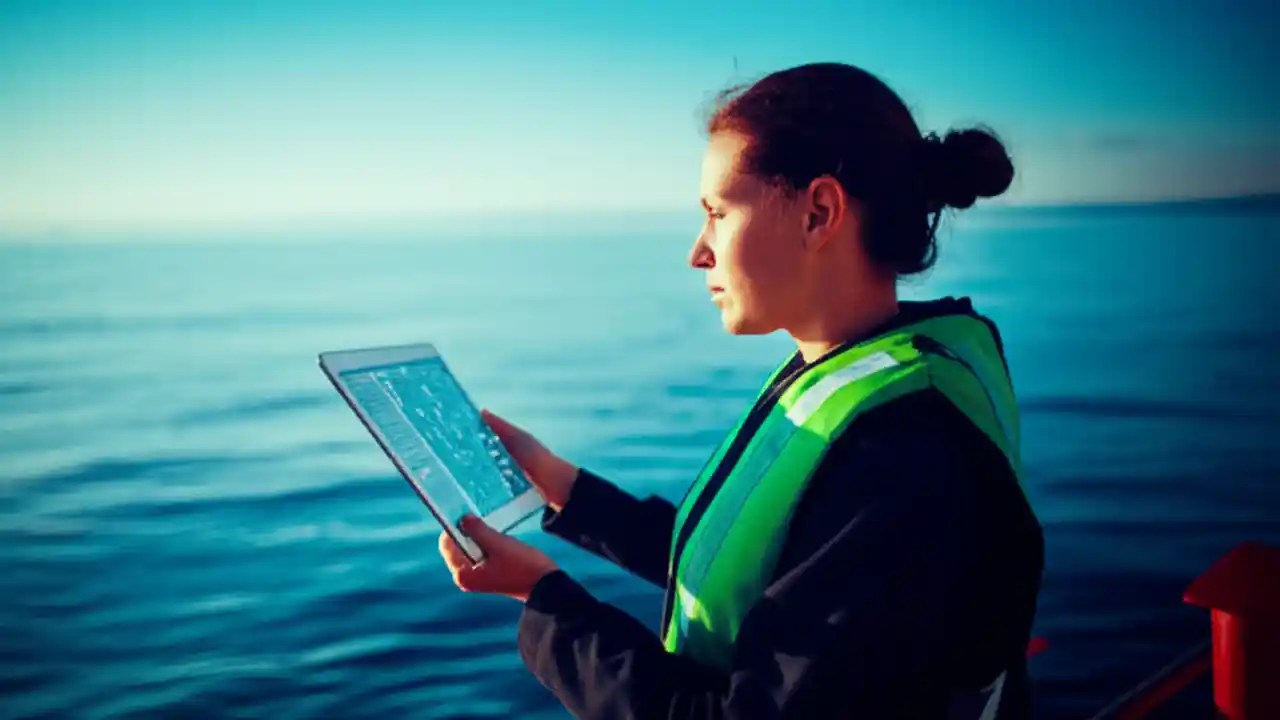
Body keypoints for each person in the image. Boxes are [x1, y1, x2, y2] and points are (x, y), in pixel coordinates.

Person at [437, 62, 1044, 719]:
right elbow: (752, 566)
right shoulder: (864, 371)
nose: (698, 251)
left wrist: (542, 596)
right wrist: (560, 485)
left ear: (818, 213)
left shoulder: (903, 451)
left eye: (717, 212)